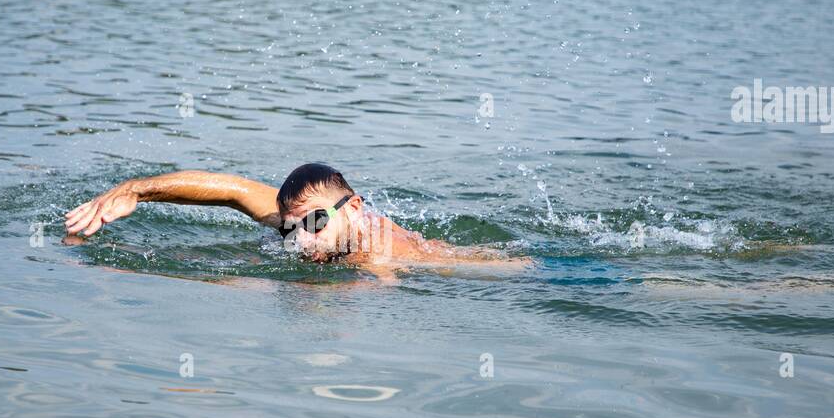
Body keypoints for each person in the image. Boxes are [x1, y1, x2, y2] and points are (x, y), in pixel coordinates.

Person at [64, 163, 525, 273]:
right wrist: (135, 190)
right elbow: (231, 190)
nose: (302, 239)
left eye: (314, 224)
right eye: (291, 227)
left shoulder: (378, 258)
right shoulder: (300, 218)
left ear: (355, 208)